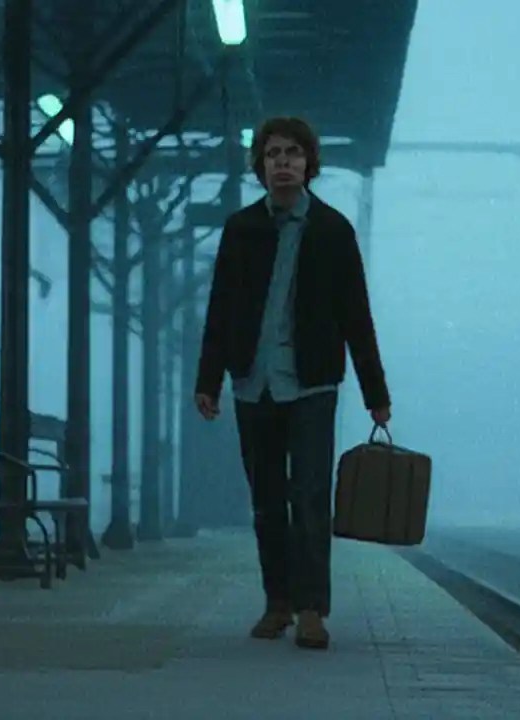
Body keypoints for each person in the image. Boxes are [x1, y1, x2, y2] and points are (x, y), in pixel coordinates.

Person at [193, 116, 392, 650]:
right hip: (253, 383)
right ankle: (276, 602)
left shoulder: (332, 231)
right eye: (273, 154)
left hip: (310, 385)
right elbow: (221, 309)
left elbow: (357, 317)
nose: (283, 162)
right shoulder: (241, 230)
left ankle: (311, 610)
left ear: (309, 165)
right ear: (260, 166)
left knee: (308, 499)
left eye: (293, 153)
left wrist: (376, 395)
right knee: (265, 501)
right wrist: (208, 379)